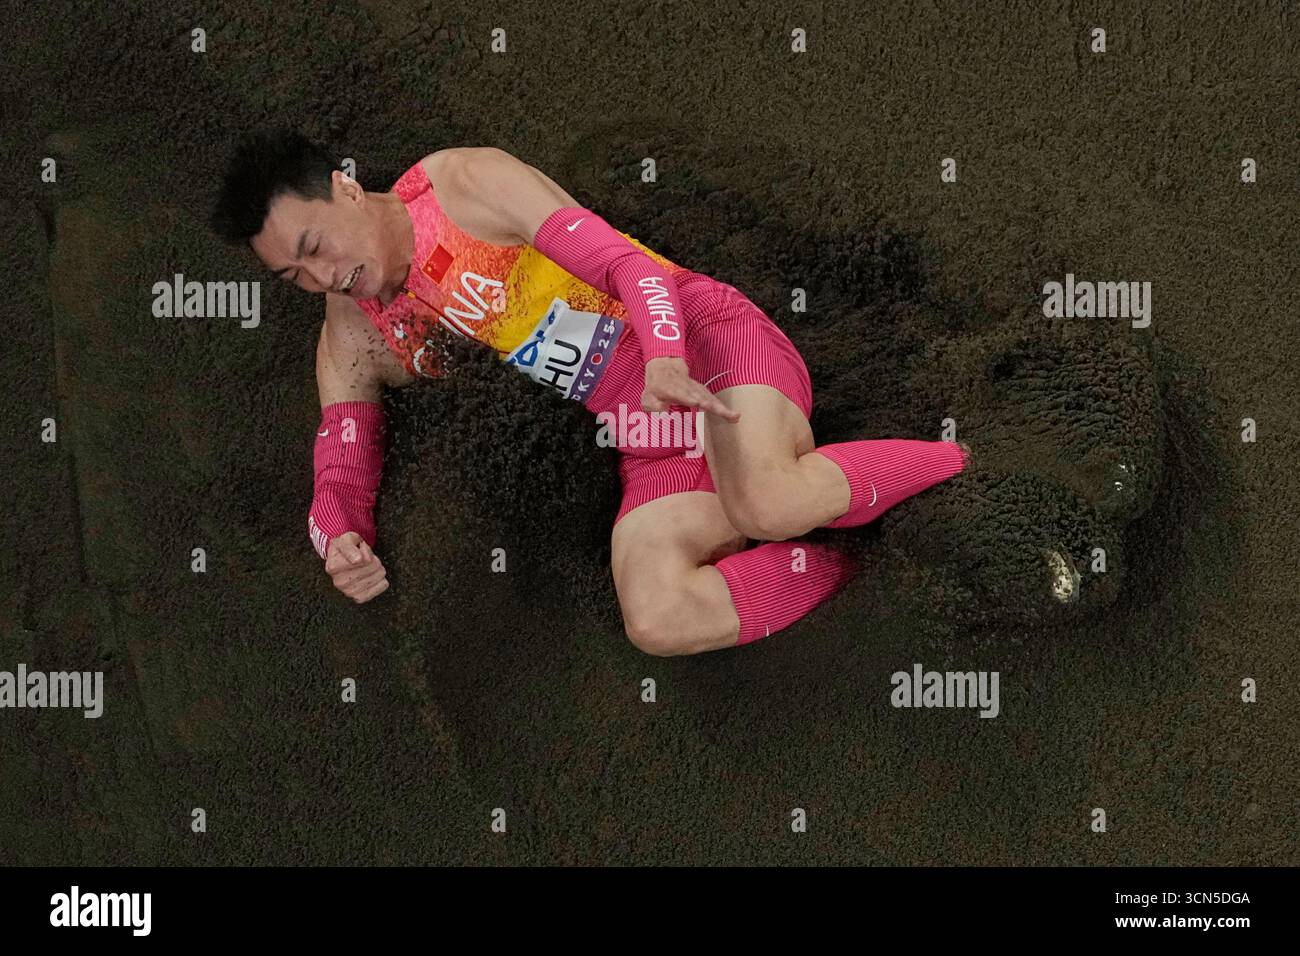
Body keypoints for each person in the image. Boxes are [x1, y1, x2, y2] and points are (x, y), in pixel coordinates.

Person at [210, 130, 974, 656]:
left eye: (313, 248)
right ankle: (855, 558)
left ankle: (968, 461)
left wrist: (667, 357)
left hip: (707, 347)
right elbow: (340, 464)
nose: (320, 277)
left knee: (765, 503)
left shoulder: (463, 187)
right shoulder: (354, 328)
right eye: (292, 276)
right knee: (655, 614)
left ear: (344, 188)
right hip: (647, 434)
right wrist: (339, 536)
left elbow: (630, 270)